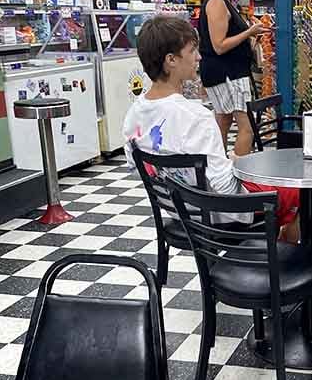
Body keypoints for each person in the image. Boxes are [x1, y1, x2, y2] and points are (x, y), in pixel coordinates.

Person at [123, 15, 299, 242]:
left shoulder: (133, 116)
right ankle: (284, 266)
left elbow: (137, 167)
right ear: (171, 60)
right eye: (192, 51)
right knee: (294, 191)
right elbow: (223, 187)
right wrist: (235, 165)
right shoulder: (196, 117)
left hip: (176, 210)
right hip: (218, 215)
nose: (198, 57)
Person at [199, 0, 266, 156]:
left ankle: (217, 168)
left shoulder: (222, 0)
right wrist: (249, 32)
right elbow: (219, 45)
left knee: (224, 119)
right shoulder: (217, 2)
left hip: (224, 71)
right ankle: (236, 176)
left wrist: (250, 38)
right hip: (228, 73)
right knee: (247, 128)